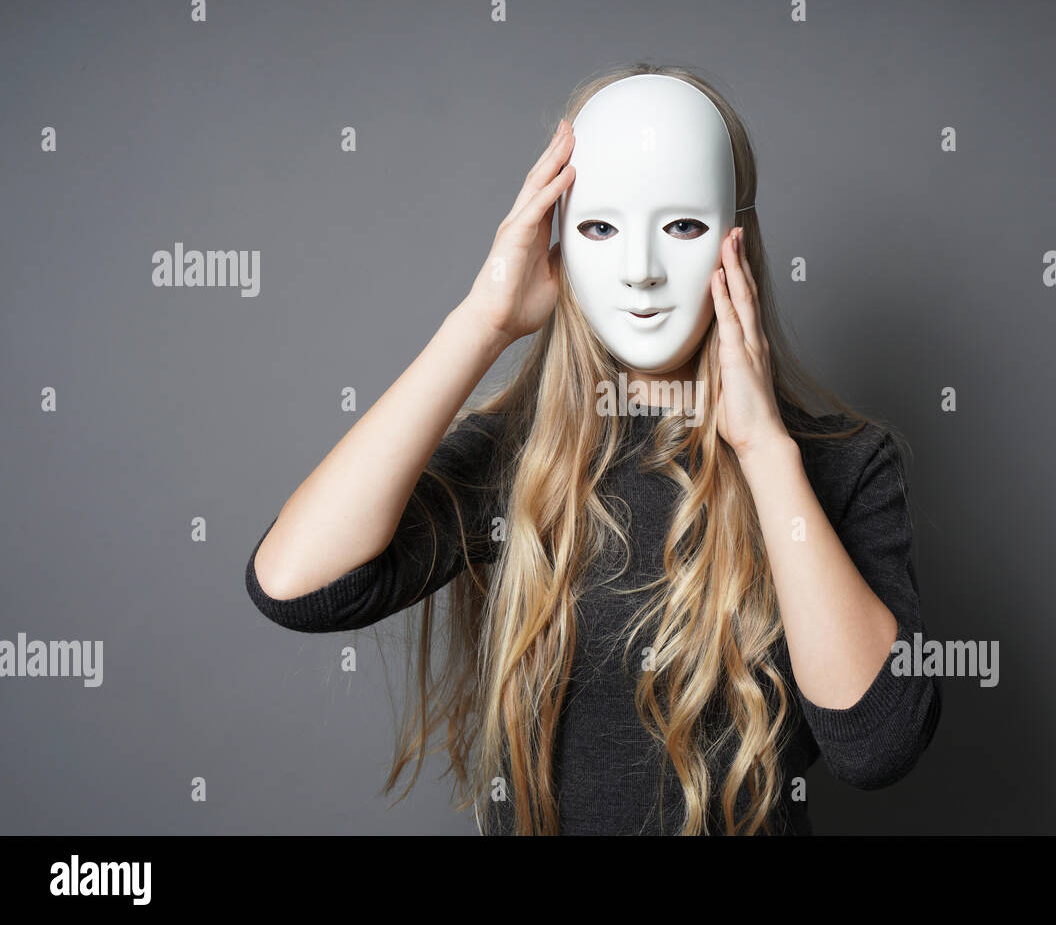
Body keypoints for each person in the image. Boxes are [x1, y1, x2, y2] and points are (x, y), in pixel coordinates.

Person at [245, 62, 941, 835]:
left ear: (735, 237)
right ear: (558, 243)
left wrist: (765, 451)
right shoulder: (517, 458)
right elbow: (294, 584)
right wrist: (482, 322)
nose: (641, 271)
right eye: (600, 228)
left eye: (681, 225)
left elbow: (880, 742)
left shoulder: (841, 462)